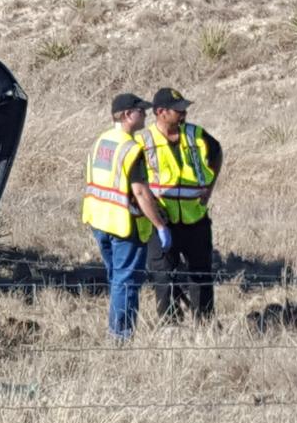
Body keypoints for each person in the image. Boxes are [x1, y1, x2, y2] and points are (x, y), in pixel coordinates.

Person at [83, 93, 171, 340]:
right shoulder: (131, 148)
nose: (145, 114)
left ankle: (116, 331)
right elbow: (141, 192)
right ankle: (121, 336)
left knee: (116, 280)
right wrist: (160, 225)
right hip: (123, 224)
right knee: (127, 282)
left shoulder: (102, 140)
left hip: (98, 219)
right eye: (140, 111)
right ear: (125, 115)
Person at [135, 88, 223, 322]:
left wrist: (209, 189)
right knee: (163, 277)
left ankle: (204, 323)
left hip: (196, 219)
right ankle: (169, 325)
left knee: (201, 275)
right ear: (161, 112)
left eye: (184, 109)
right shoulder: (143, 141)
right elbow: (135, 181)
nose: (183, 113)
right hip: (162, 221)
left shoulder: (196, 134)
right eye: (178, 110)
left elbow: (217, 153)